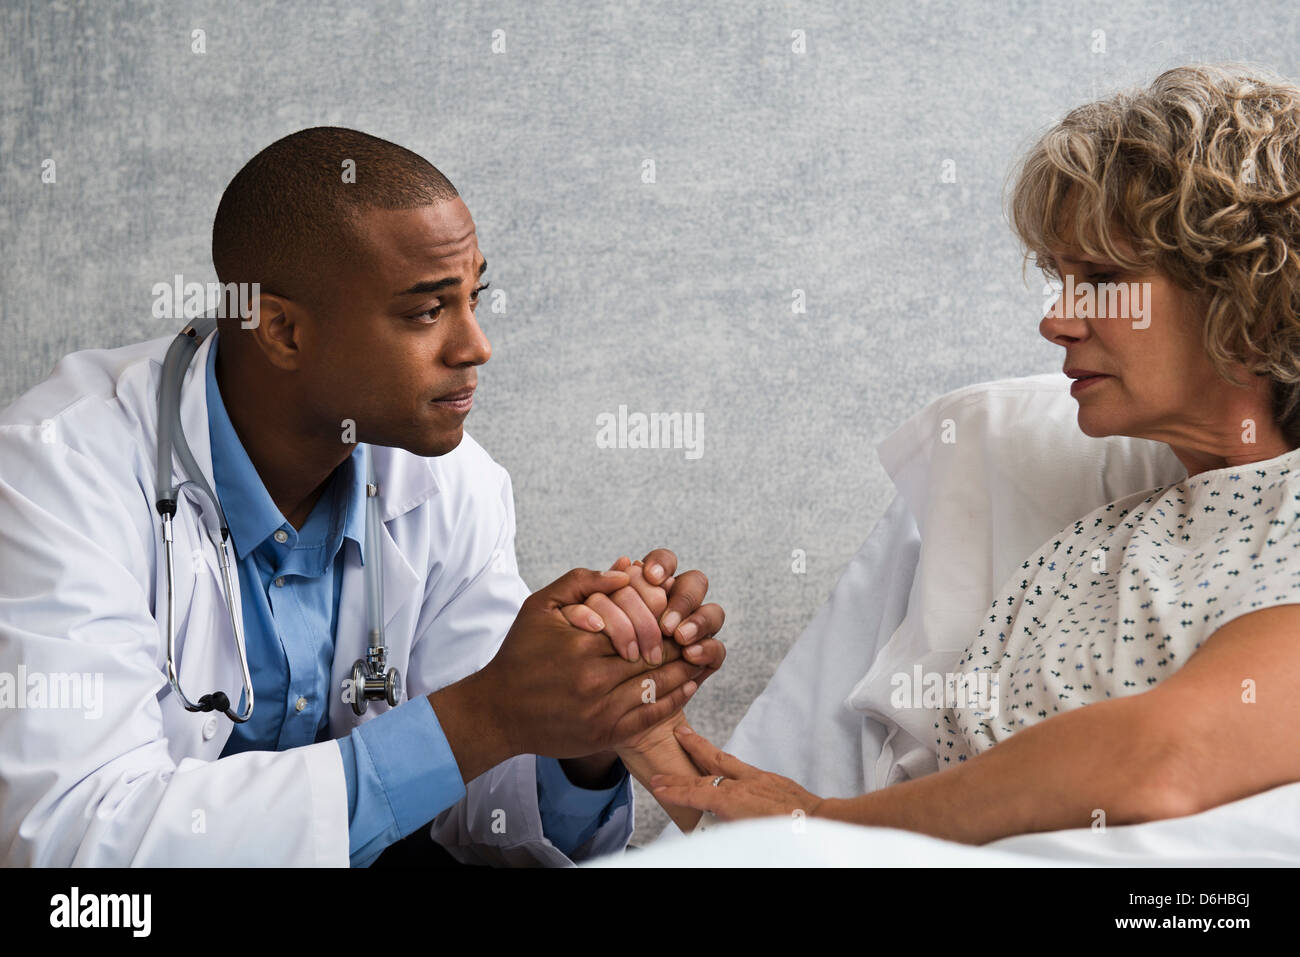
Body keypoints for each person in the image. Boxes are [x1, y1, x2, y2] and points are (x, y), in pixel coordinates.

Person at [0, 127, 725, 866]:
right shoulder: (55, 473)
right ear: (281, 328)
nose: (476, 345)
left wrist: (579, 730)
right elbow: (73, 842)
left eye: (475, 297)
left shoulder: (451, 481)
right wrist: (483, 714)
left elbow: (484, 812)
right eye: (426, 311)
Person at [625, 63, 1300, 844]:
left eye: (1104, 280)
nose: (1057, 322)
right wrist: (644, 726)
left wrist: (822, 822)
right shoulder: (1080, 549)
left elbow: (1164, 761)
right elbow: (869, 832)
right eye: (1059, 279)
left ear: (1251, 297)